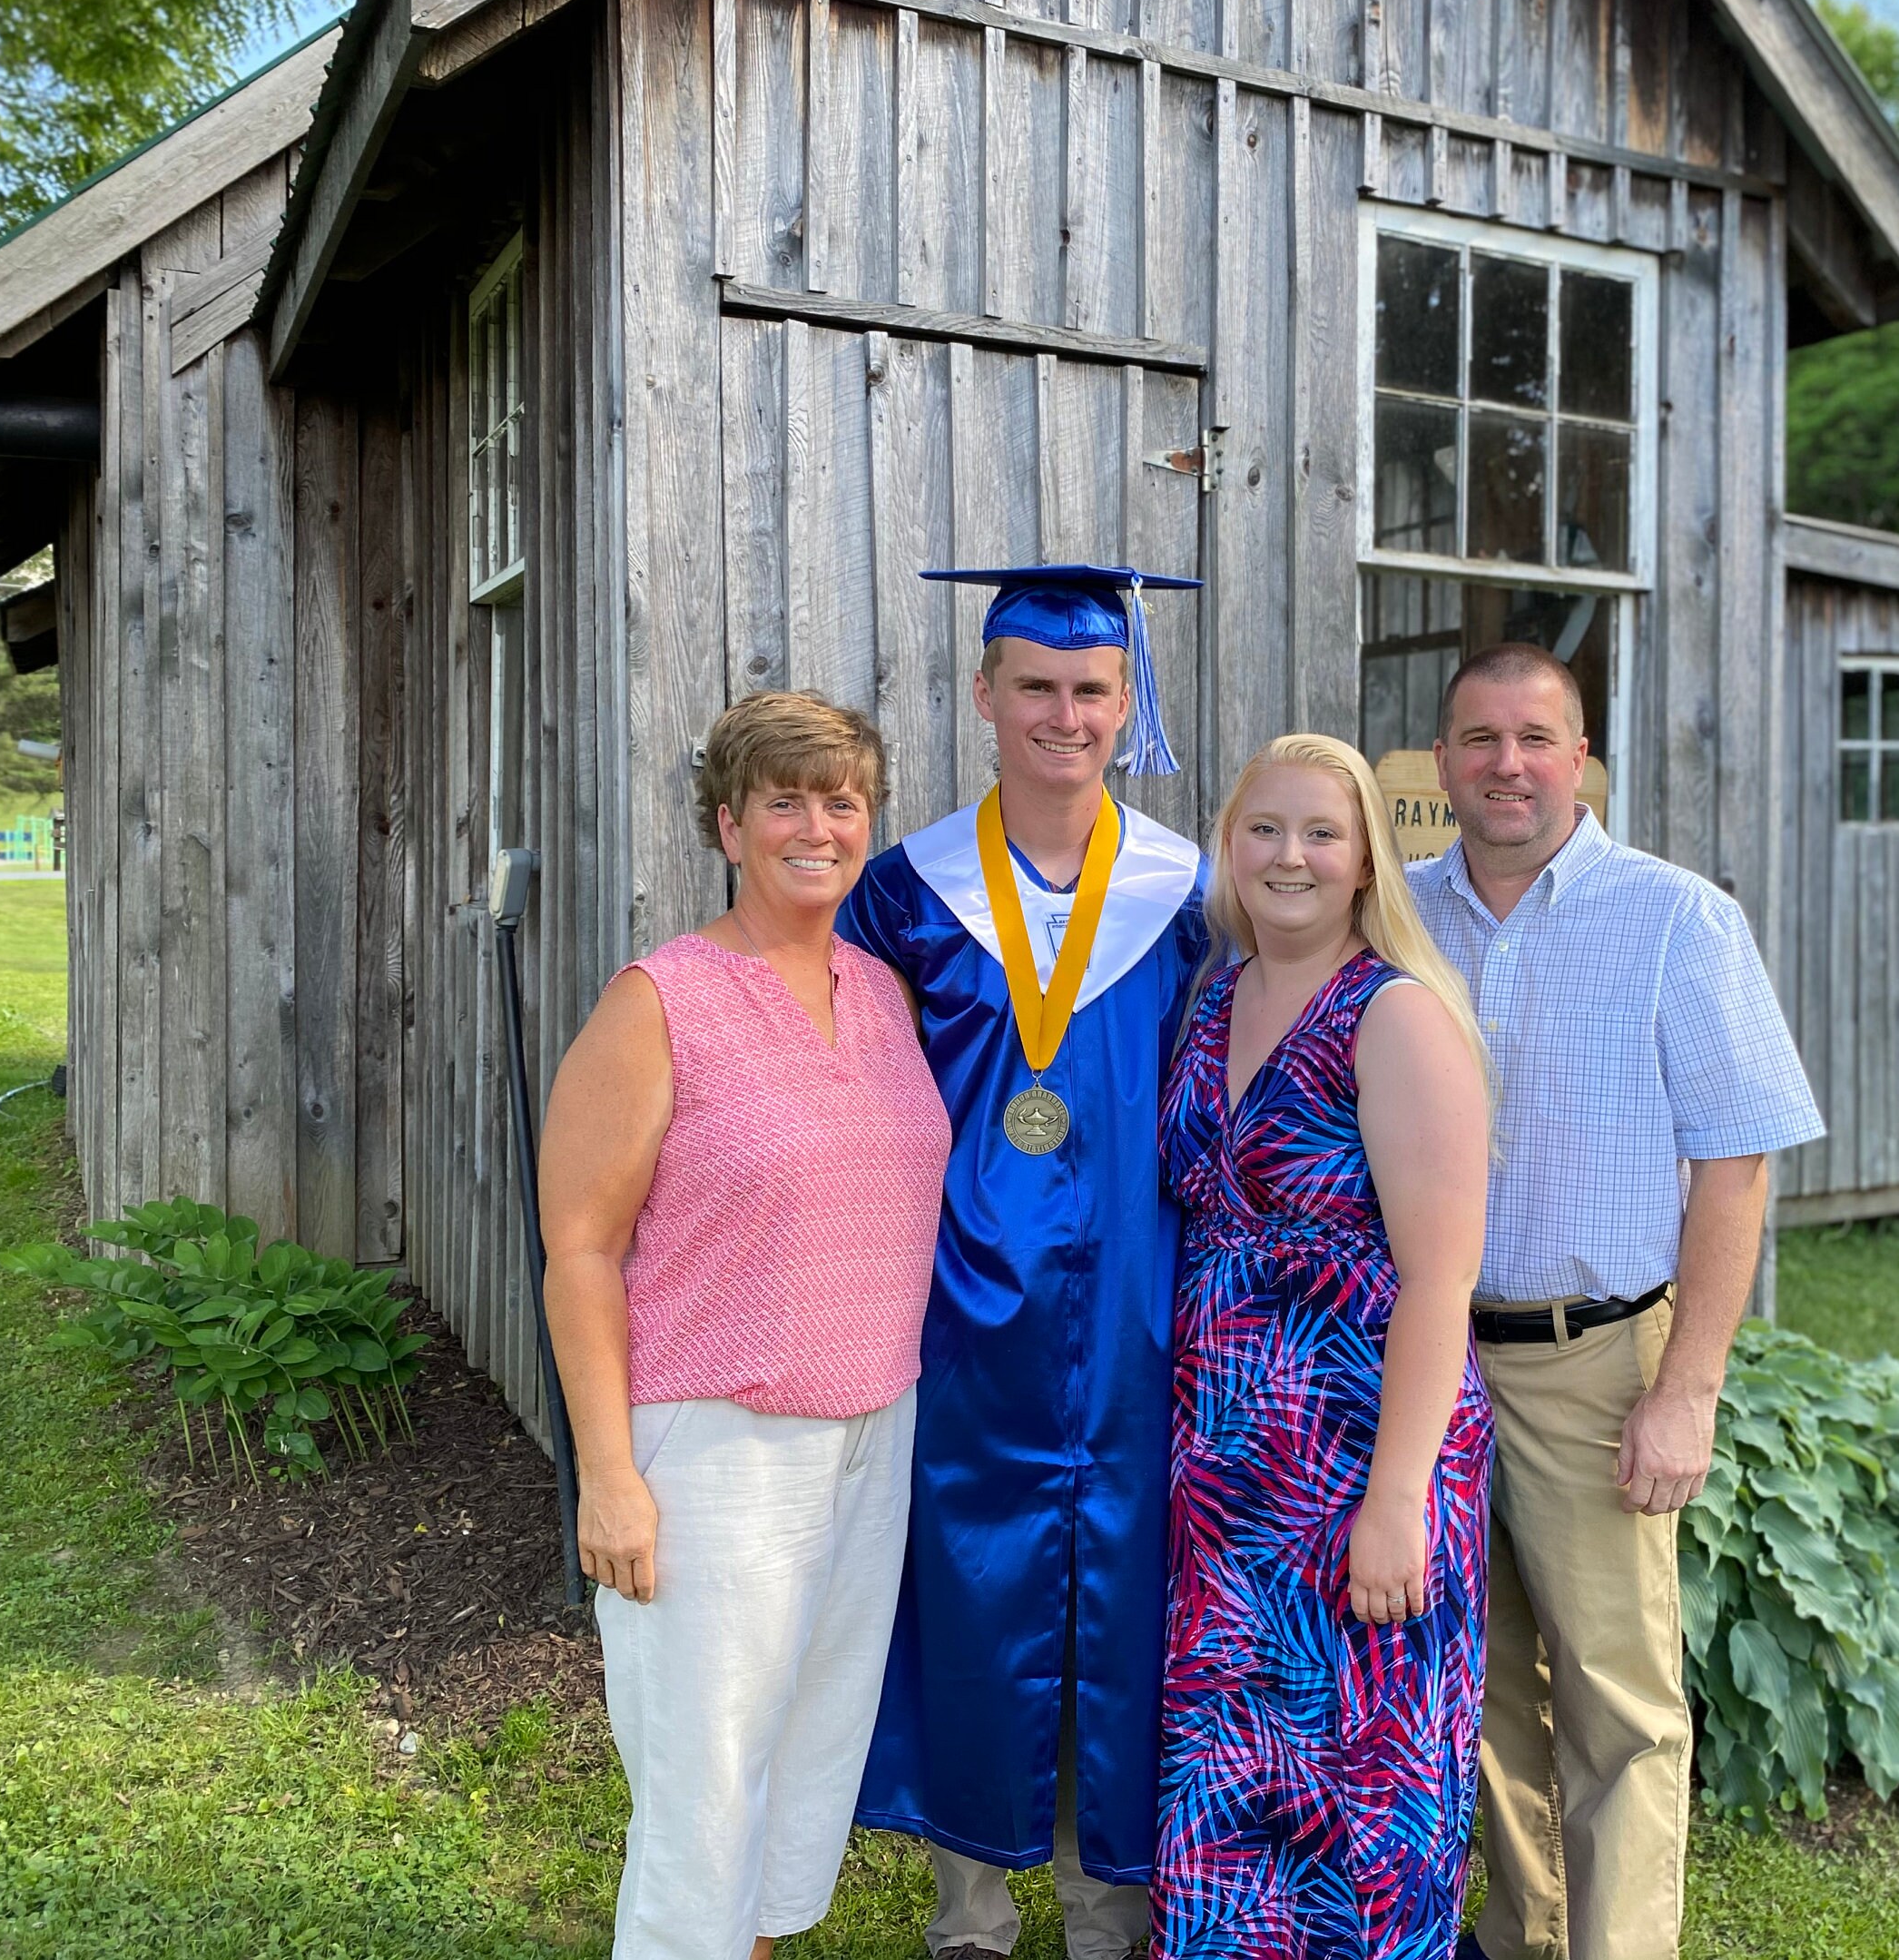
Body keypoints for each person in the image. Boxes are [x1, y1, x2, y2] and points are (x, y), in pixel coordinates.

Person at [1407, 644, 1825, 1960]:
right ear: (1441, 759)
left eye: (1536, 738)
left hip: (1592, 1359)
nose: (1508, 764)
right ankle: (1522, 1932)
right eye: (1481, 738)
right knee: (1476, 1684)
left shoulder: (1676, 919)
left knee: (1616, 1697)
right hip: (1428, 1360)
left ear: (1580, 758)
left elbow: (1737, 1163)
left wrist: (1686, 1390)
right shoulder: (1396, 916)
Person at [538, 692, 953, 1960]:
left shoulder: (880, 992)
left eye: (842, 801)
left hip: (872, 1428)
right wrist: (610, 1475)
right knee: (705, 1791)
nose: (816, 827)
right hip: (719, 1442)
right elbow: (580, 1250)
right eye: (784, 801)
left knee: (802, 1765)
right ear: (728, 824)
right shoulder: (659, 1000)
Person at [837, 565, 1212, 1960]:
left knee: (1130, 1599)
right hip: (956, 1311)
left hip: (1141, 1314)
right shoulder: (906, 888)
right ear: (985, 694)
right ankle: (971, 1918)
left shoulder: (1188, 889)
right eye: (1037, 685)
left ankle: (1113, 1913)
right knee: (973, 1590)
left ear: (1128, 701)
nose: (1066, 713)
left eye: (1092, 688)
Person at [1153, 734, 1497, 1960]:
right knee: (1229, 1770)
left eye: (1320, 833)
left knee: (1362, 1779)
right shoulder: (1216, 998)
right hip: (1230, 1468)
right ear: (1228, 847)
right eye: (1264, 829)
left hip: (1357, 1455)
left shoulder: (1393, 1015)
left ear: (1364, 862)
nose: (1288, 855)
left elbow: (1440, 1280)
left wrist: (1398, 1497)